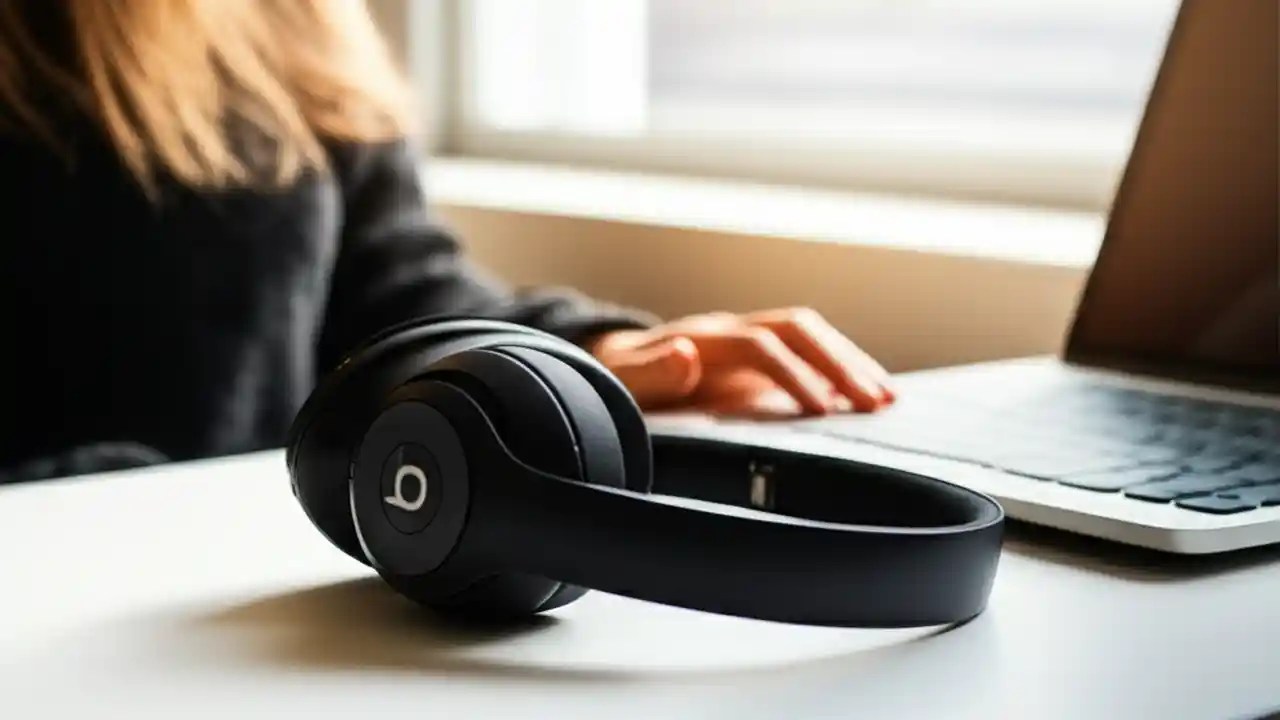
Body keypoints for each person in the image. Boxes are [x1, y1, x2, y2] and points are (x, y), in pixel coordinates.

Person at [0, 0, 894, 484]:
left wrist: (583, 359)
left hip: (241, 587)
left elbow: (389, 295)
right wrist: (114, 509)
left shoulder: (293, 22)